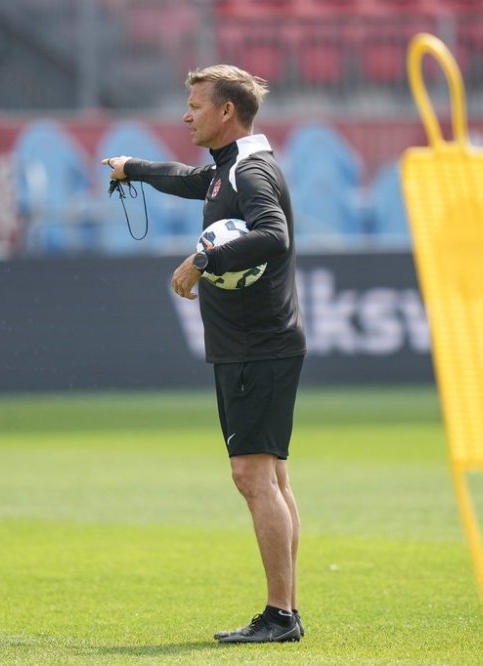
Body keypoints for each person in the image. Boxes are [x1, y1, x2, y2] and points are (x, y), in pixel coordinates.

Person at [102, 64, 307, 643]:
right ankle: (285, 610)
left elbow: (273, 235)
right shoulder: (227, 169)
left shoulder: (250, 171)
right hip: (254, 344)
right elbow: (188, 178)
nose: (186, 114)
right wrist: (133, 169)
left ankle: (280, 615)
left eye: (195, 104)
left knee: (252, 476)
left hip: (257, 345)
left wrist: (204, 260)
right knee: (270, 479)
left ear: (226, 112)